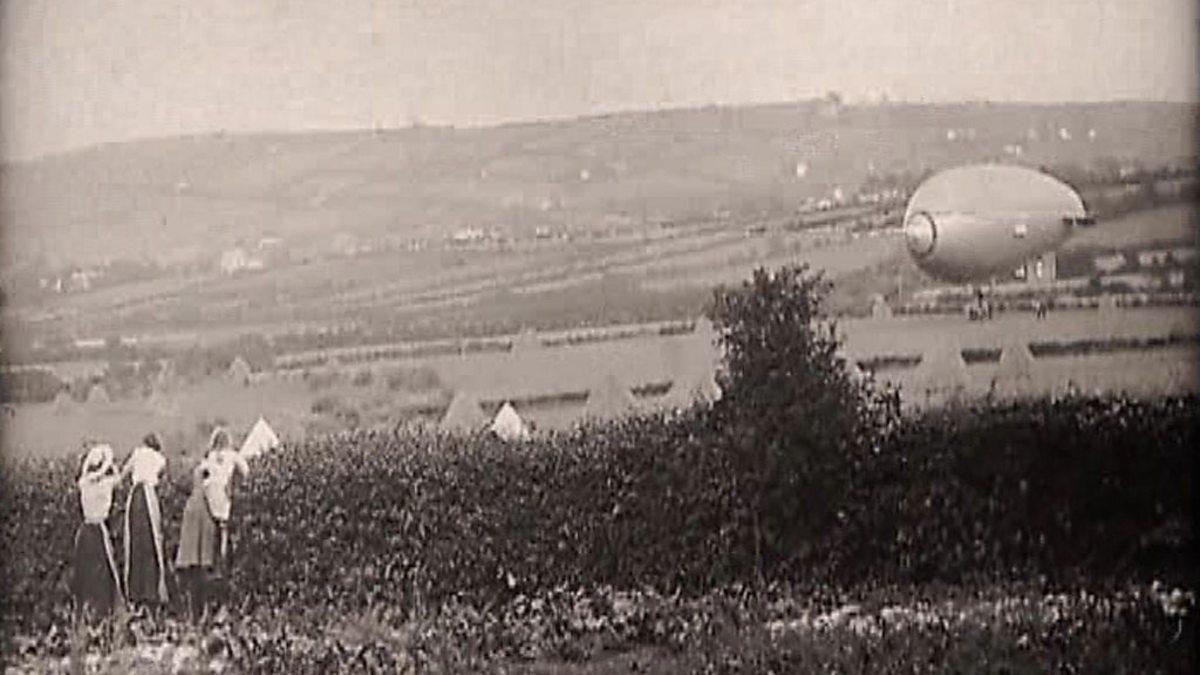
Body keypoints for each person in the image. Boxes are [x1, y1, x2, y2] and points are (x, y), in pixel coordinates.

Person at [72, 443, 124, 619]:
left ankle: (85, 614)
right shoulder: (106, 485)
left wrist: (93, 468)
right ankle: (102, 614)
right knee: (102, 573)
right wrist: (110, 465)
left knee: (85, 573)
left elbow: (83, 476)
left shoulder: (84, 483)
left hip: (85, 531)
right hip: (99, 531)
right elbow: (119, 479)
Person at [121, 433, 169, 613]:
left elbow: (123, 474)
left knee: (135, 546)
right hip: (148, 497)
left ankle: (135, 592)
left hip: (134, 499)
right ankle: (151, 592)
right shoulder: (160, 459)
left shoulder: (137, 453)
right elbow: (161, 476)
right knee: (152, 545)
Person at [175, 448, 220, 622]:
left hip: (192, 513)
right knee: (203, 566)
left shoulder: (197, 471)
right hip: (203, 515)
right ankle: (201, 613)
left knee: (193, 565)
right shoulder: (209, 472)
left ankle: (194, 614)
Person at [203, 427, 249, 572]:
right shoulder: (232, 455)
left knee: (214, 526)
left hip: (210, 493)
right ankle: (223, 561)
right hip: (223, 492)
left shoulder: (210, 455)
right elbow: (246, 470)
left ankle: (212, 561)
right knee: (224, 527)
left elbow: (203, 472)